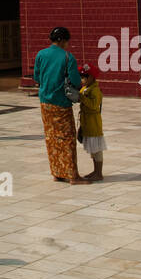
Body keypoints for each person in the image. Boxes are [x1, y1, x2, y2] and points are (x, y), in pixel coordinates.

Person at [33, 26, 87, 184]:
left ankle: (57, 172)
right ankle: (73, 175)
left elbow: (37, 76)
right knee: (67, 138)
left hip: (45, 102)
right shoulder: (68, 57)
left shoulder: (41, 54)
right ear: (63, 40)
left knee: (51, 137)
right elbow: (76, 81)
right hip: (61, 102)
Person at [78, 65, 105, 181]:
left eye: (84, 77)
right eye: (81, 76)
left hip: (93, 122)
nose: (82, 79)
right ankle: (95, 171)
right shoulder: (84, 89)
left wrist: (82, 98)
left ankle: (99, 173)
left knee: (97, 149)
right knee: (92, 150)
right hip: (86, 122)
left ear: (92, 78)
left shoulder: (95, 90)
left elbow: (94, 105)